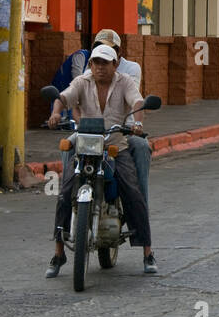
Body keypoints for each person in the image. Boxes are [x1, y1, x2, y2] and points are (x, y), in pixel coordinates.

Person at [46, 45, 155, 276]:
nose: (99, 67)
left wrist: (137, 123)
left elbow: (137, 102)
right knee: (65, 192)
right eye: (95, 62)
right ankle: (58, 253)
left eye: (105, 63)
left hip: (116, 145)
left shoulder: (125, 81)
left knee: (133, 193)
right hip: (86, 145)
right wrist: (56, 113)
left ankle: (147, 253)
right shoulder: (82, 82)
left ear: (115, 65)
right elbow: (64, 98)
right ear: (90, 65)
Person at [86, 29, 149, 211]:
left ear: (118, 54)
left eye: (109, 49)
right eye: (99, 48)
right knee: (68, 146)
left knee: (141, 146)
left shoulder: (131, 69)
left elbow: (128, 101)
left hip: (123, 130)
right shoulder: (89, 68)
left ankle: (140, 210)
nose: (102, 56)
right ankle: (64, 219)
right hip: (94, 130)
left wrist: (137, 124)